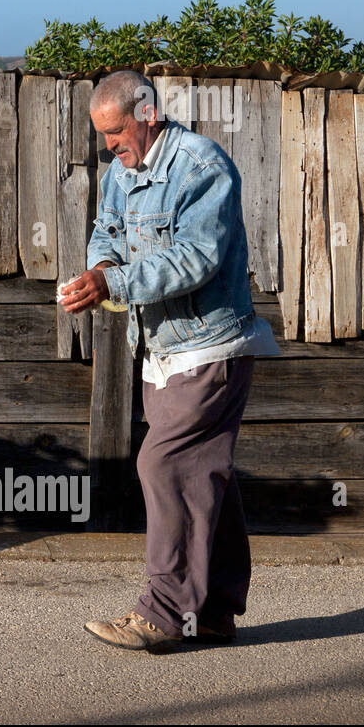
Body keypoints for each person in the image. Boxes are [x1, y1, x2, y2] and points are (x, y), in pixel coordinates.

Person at [59, 70, 279, 652]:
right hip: (158, 349)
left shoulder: (204, 167)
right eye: (103, 135)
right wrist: (99, 273)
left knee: (161, 465)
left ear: (148, 112)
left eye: (116, 131)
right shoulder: (118, 174)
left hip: (209, 348)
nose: (110, 145)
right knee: (205, 479)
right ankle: (212, 613)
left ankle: (161, 612)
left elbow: (196, 259)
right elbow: (105, 234)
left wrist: (117, 284)